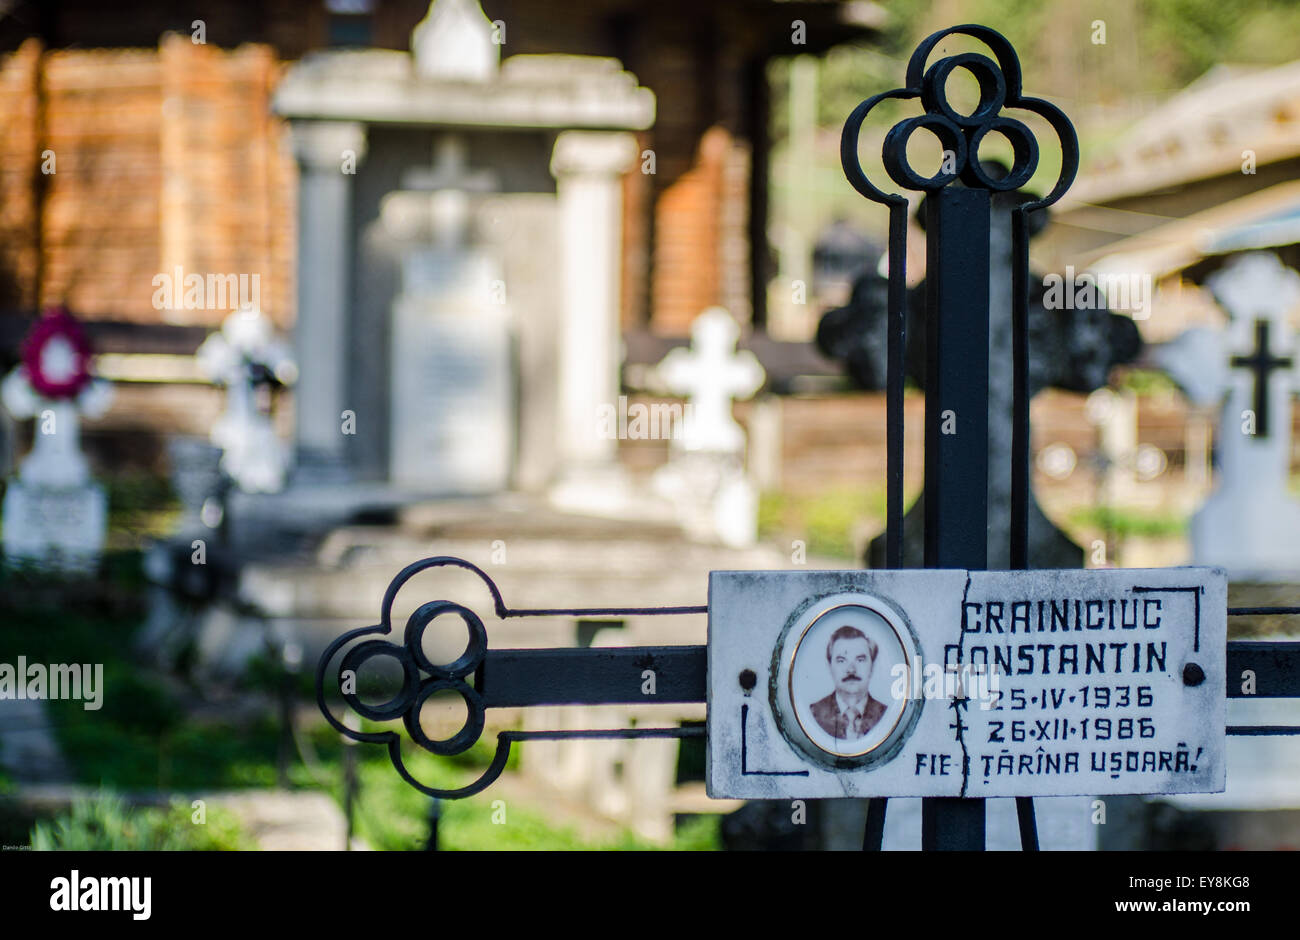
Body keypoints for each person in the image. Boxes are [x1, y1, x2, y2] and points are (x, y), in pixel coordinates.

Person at [809, 625, 886, 740]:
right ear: (829, 667)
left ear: (872, 666)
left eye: (860, 660)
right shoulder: (813, 714)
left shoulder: (885, 715)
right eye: (841, 661)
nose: (851, 669)